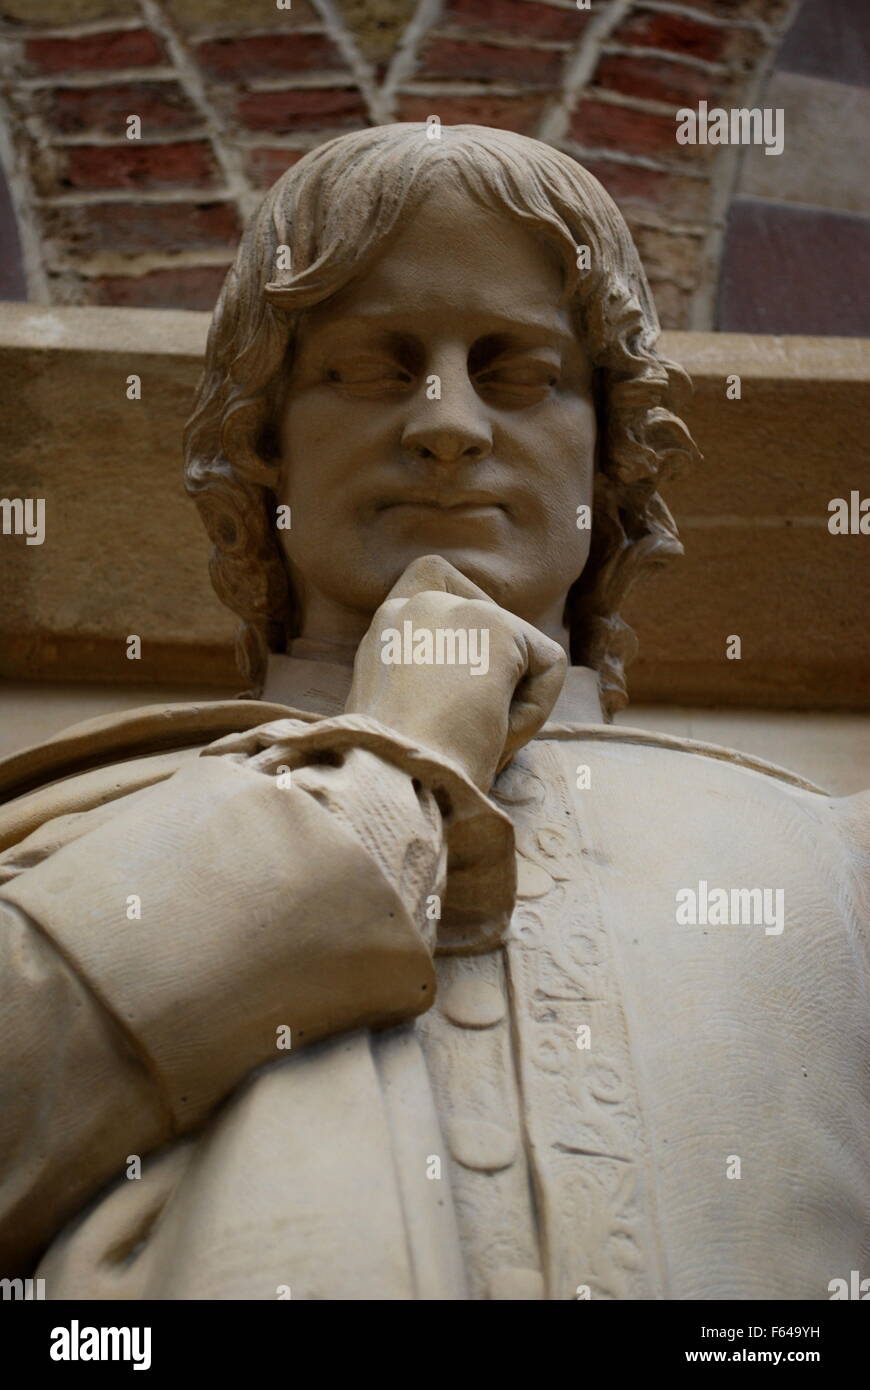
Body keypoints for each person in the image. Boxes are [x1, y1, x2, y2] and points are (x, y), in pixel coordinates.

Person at [0, 124, 866, 1300]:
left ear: (606, 455)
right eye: (367, 366)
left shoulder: (830, 862)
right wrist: (388, 762)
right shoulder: (80, 831)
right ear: (265, 456)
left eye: (519, 371)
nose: (448, 422)